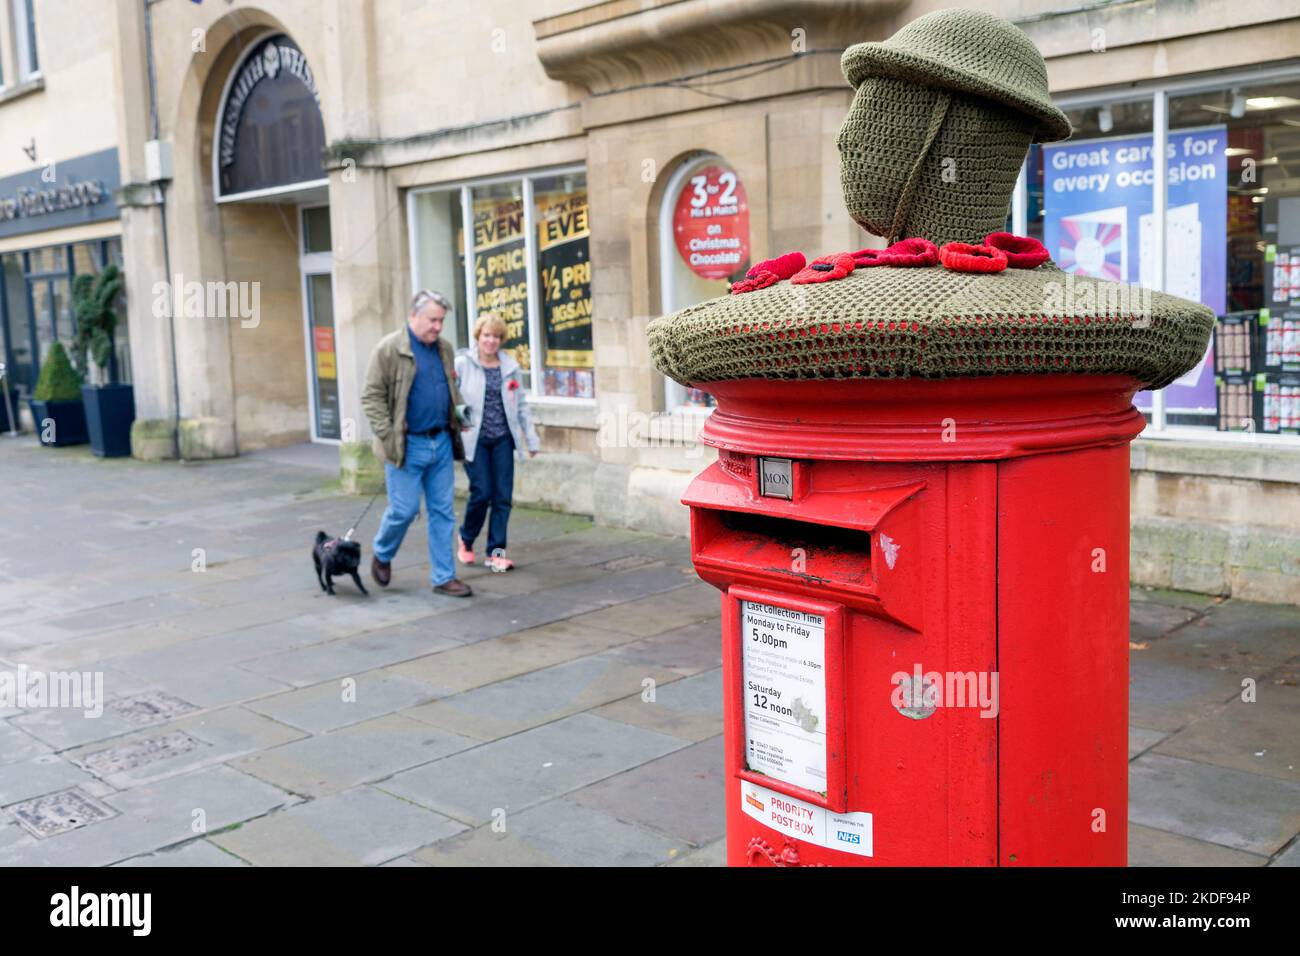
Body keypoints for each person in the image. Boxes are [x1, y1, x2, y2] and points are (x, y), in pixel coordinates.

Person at [361, 290, 474, 597]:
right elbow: (371, 397)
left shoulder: (445, 349)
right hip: (406, 446)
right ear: (413, 316)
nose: (437, 327)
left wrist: (459, 412)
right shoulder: (388, 349)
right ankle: (382, 553)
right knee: (404, 510)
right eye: (432, 320)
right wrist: (388, 434)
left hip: (440, 442)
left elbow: (450, 388)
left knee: (443, 512)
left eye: (441, 321)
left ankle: (444, 577)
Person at [454, 312, 540, 571]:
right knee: (482, 492)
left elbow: (522, 406)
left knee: (502, 497)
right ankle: (466, 538)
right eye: (486, 335)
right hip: (474, 438)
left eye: (496, 336)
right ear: (478, 337)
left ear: (501, 339)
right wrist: (457, 425)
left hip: (503, 438)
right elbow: (451, 399)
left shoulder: (509, 366)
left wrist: (531, 440)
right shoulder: (462, 364)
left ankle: (496, 552)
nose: (491, 341)